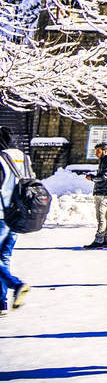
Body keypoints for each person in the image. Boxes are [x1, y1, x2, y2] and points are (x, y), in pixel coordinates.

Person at [0, 131, 31, 315]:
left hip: (1, 214)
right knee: (3, 258)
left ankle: (15, 284)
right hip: (17, 216)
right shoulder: (24, 159)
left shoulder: (1, 159)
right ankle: (1, 302)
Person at [86, 143, 107, 249]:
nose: (96, 153)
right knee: (104, 217)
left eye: (98, 151)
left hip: (105, 192)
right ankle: (104, 240)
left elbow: (104, 176)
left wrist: (92, 178)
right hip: (105, 191)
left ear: (105, 150)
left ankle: (99, 240)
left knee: (101, 217)